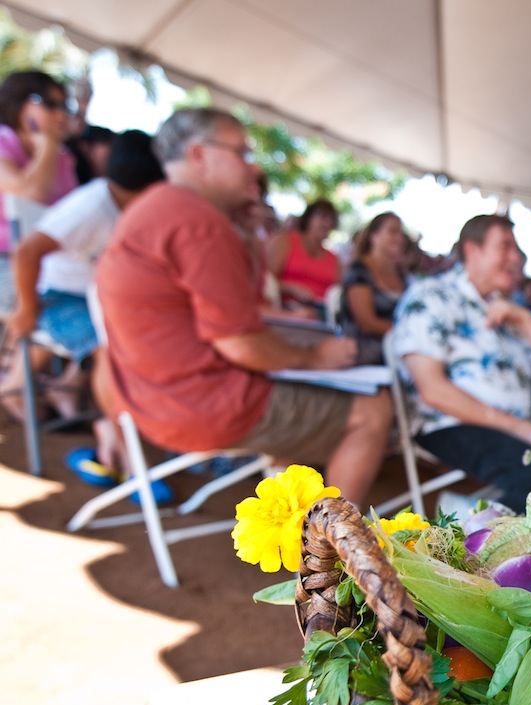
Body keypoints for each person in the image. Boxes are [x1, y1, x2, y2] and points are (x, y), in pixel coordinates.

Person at [94, 107, 392, 508]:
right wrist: (315, 357)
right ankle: (326, 562)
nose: (252, 169)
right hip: (198, 405)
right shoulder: (197, 220)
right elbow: (241, 345)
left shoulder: (154, 208)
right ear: (199, 155)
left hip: (149, 397)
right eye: (242, 154)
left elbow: (235, 313)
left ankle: (294, 526)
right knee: (373, 410)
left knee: (306, 396)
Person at [390, 214, 531, 526]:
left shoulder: (508, 311)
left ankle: (492, 526)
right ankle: (466, 541)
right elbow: (432, 389)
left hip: (515, 430)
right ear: (473, 250)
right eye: (505, 247)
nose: (516, 257)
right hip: (451, 424)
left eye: (517, 249)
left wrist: (526, 320)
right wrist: (515, 426)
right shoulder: (433, 296)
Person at [0, 130, 164, 466]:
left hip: (98, 300)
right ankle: (121, 444)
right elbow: (28, 252)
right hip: (59, 298)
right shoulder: (92, 204)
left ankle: (111, 422)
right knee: (110, 348)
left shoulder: (129, 206)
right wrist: (27, 308)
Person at [0, 70, 78, 317]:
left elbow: (72, 217)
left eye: (65, 106)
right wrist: (48, 144)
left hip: (48, 267)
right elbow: (30, 193)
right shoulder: (4, 141)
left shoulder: (64, 158)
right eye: (50, 104)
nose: (61, 113)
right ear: (19, 103)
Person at [338, 211, 407, 363]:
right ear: (373, 235)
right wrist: (407, 332)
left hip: (400, 347)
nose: (400, 238)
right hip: (368, 351)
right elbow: (366, 323)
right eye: (392, 232)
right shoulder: (359, 271)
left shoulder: (402, 275)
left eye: (401, 233)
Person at [266, 197, 340, 315]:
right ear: (308, 218)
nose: (327, 223)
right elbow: (266, 281)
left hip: (322, 314)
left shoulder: (334, 258)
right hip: (286, 311)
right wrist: (291, 288)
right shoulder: (285, 242)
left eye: (331, 220)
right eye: (322, 217)